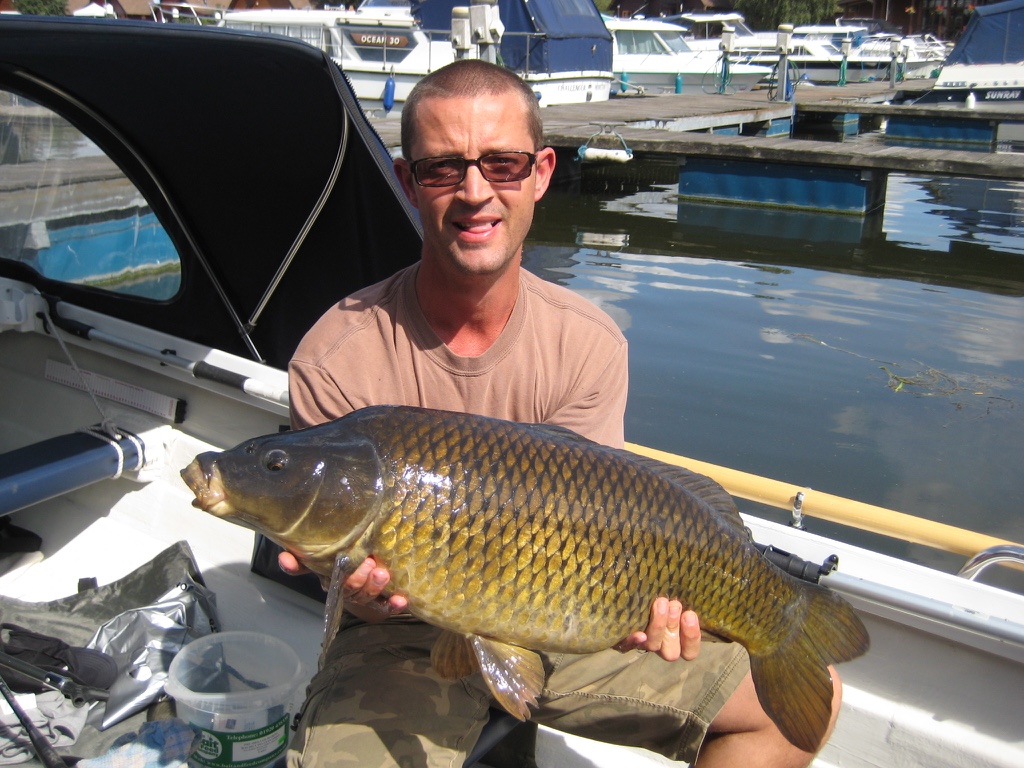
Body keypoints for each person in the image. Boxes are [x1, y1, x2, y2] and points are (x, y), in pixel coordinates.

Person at [282, 59, 842, 768]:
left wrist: (644, 610)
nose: (475, 192)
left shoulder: (588, 342)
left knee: (800, 710)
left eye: (503, 164)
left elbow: (598, 526)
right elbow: (345, 581)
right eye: (443, 170)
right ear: (407, 183)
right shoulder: (336, 355)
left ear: (542, 173)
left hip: (561, 611)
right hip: (399, 637)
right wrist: (356, 594)